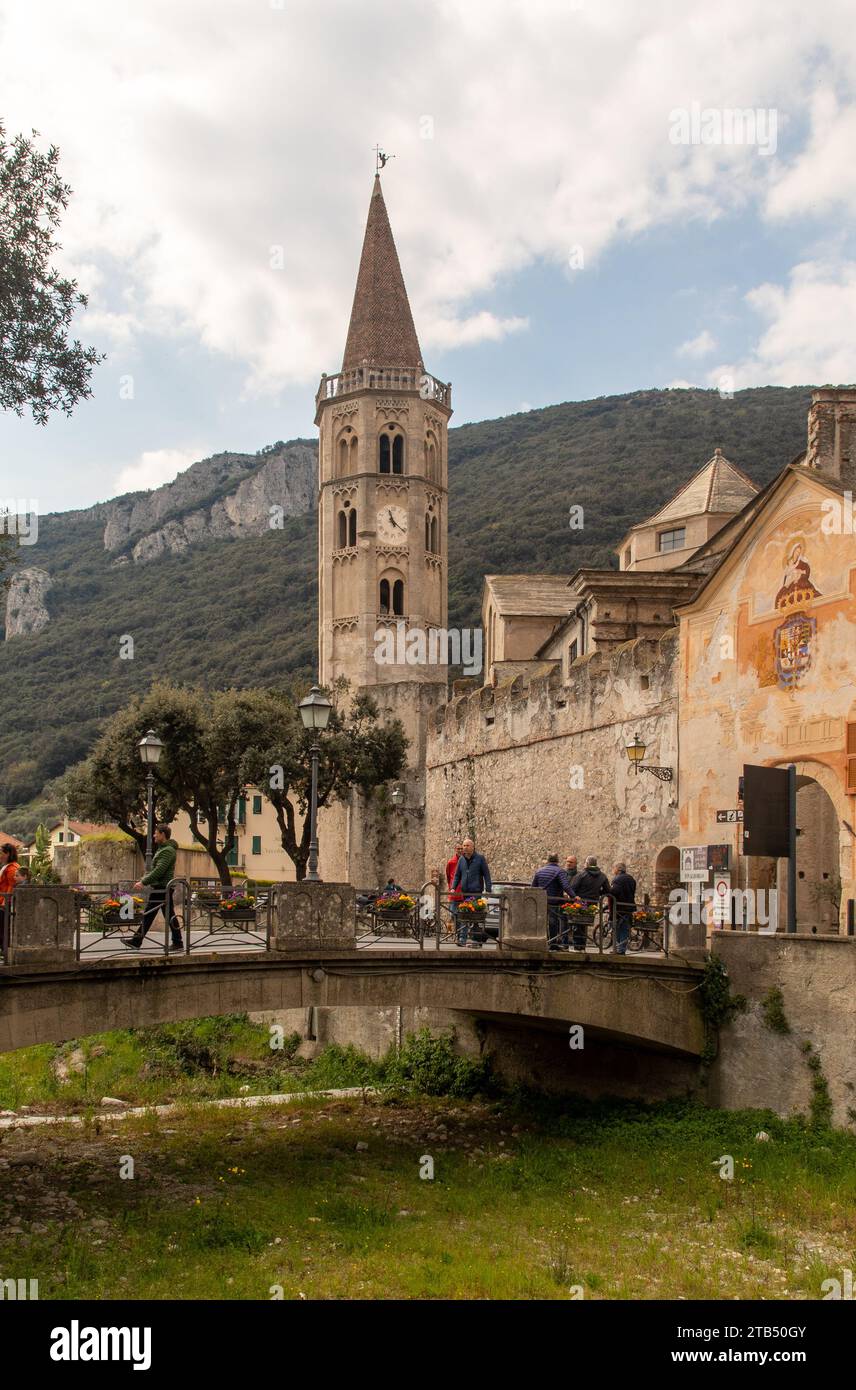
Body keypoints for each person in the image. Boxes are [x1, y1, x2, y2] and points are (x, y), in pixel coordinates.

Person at [123, 825, 183, 951]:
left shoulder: (167, 850)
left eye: (156, 833)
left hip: (162, 888)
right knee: (166, 914)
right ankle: (177, 942)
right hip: (162, 887)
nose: (154, 836)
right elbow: (157, 869)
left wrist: (143, 882)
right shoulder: (164, 849)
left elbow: (159, 870)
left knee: (149, 914)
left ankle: (136, 941)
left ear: (163, 834)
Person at [451, 836, 492, 947]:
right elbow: (457, 875)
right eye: (464, 845)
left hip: (476, 892)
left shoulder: (480, 859)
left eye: (467, 845)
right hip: (465, 893)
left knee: (475, 917)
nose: (465, 848)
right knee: (464, 915)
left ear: (473, 847)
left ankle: (476, 940)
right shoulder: (461, 860)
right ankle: (462, 939)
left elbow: (486, 874)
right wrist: (453, 888)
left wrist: (488, 889)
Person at [569, 855, 611, 951]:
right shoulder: (602, 876)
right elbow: (608, 890)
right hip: (593, 904)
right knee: (584, 924)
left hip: (581, 902)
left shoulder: (581, 874)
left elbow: (572, 888)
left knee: (578, 923)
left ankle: (578, 947)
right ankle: (582, 946)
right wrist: (597, 893)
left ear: (587, 864)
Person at [532, 852, 571, 950]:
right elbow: (566, 886)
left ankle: (541, 942)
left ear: (548, 860)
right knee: (553, 922)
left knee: (542, 921)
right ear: (557, 860)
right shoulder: (560, 871)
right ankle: (552, 943)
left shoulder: (539, 871)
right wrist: (575, 896)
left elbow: (533, 887)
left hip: (541, 901)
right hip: (553, 901)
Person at [610, 861, 637, 955]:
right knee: (624, 928)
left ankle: (620, 949)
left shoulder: (617, 879)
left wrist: (607, 891)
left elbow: (614, 892)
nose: (613, 870)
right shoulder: (631, 879)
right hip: (629, 907)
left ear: (618, 869)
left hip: (620, 908)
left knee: (619, 928)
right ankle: (620, 948)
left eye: (614, 868)